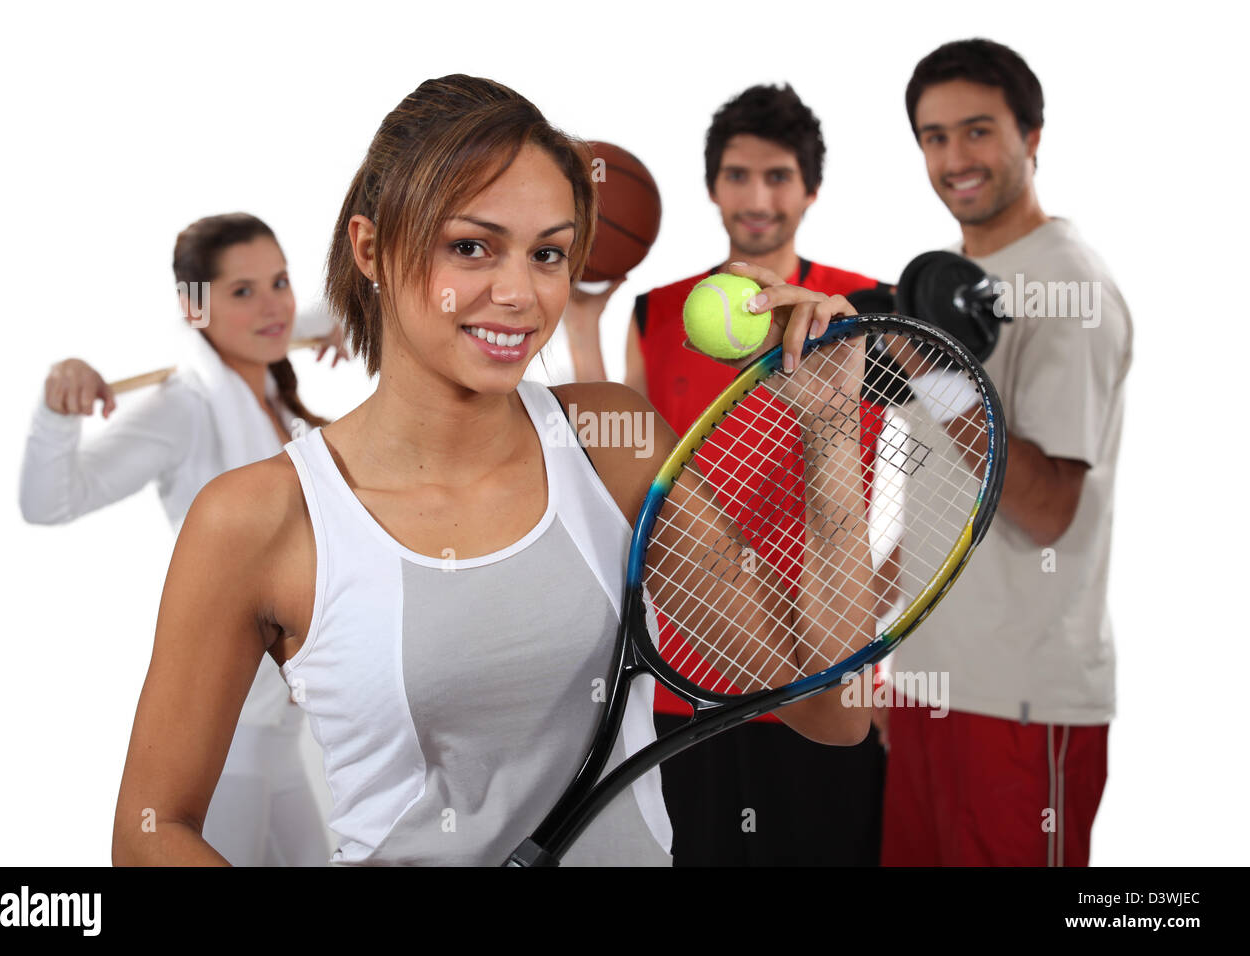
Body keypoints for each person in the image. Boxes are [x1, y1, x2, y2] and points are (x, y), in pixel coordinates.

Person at [109, 74, 872, 867]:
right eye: (470, 246)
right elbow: (149, 830)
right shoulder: (259, 517)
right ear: (370, 247)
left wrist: (829, 429)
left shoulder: (609, 443)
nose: (518, 294)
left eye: (547, 253)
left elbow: (832, 709)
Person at [568, 83, 889, 865]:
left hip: (826, 659)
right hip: (690, 679)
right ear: (712, 186)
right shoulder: (658, 310)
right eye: (738, 175)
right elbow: (626, 473)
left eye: (777, 176)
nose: (756, 196)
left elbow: (953, 454)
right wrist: (583, 321)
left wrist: (890, 609)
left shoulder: (862, 310)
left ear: (809, 189)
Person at [21, 212, 346, 866]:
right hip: (227, 739)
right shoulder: (186, 407)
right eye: (242, 292)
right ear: (194, 309)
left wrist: (332, 320)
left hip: (284, 729)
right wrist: (58, 407)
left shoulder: (271, 394)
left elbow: (299, 317)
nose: (273, 306)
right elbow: (48, 502)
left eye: (279, 281)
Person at [880, 39, 1132, 866]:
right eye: (934, 136)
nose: (956, 158)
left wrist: (947, 382)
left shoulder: (1072, 286)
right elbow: (942, 496)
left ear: (1031, 135)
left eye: (978, 131)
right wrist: (892, 643)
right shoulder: (945, 284)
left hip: (1018, 701)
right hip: (925, 687)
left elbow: (1048, 510)